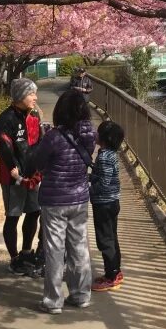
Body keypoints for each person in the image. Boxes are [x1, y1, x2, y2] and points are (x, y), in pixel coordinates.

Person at [28, 90, 96, 314]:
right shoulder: (89, 135)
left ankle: (53, 301)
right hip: (79, 198)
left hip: (55, 200)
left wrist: (42, 142)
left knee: (55, 250)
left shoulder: (54, 137)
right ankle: (81, 295)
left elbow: (38, 163)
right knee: (79, 247)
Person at [0, 78, 44, 276]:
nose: (35, 97)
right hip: (12, 177)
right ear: (20, 96)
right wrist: (17, 174)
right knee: (13, 216)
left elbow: (39, 143)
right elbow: (6, 149)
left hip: (32, 176)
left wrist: (37, 170)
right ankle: (14, 259)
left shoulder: (34, 116)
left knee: (34, 212)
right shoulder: (5, 120)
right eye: (31, 94)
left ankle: (26, 252)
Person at [90, 121, 124, 291]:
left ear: (104, 138)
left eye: (98, 132)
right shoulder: (110, 154)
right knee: (111, 237)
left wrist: (87, 189)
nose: (95, 134)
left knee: (105, 240)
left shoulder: (104, 157)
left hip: (104, 203)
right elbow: (103, 176)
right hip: (112, 202)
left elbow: (103, 183)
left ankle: (111, 276)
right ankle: (115, 271)